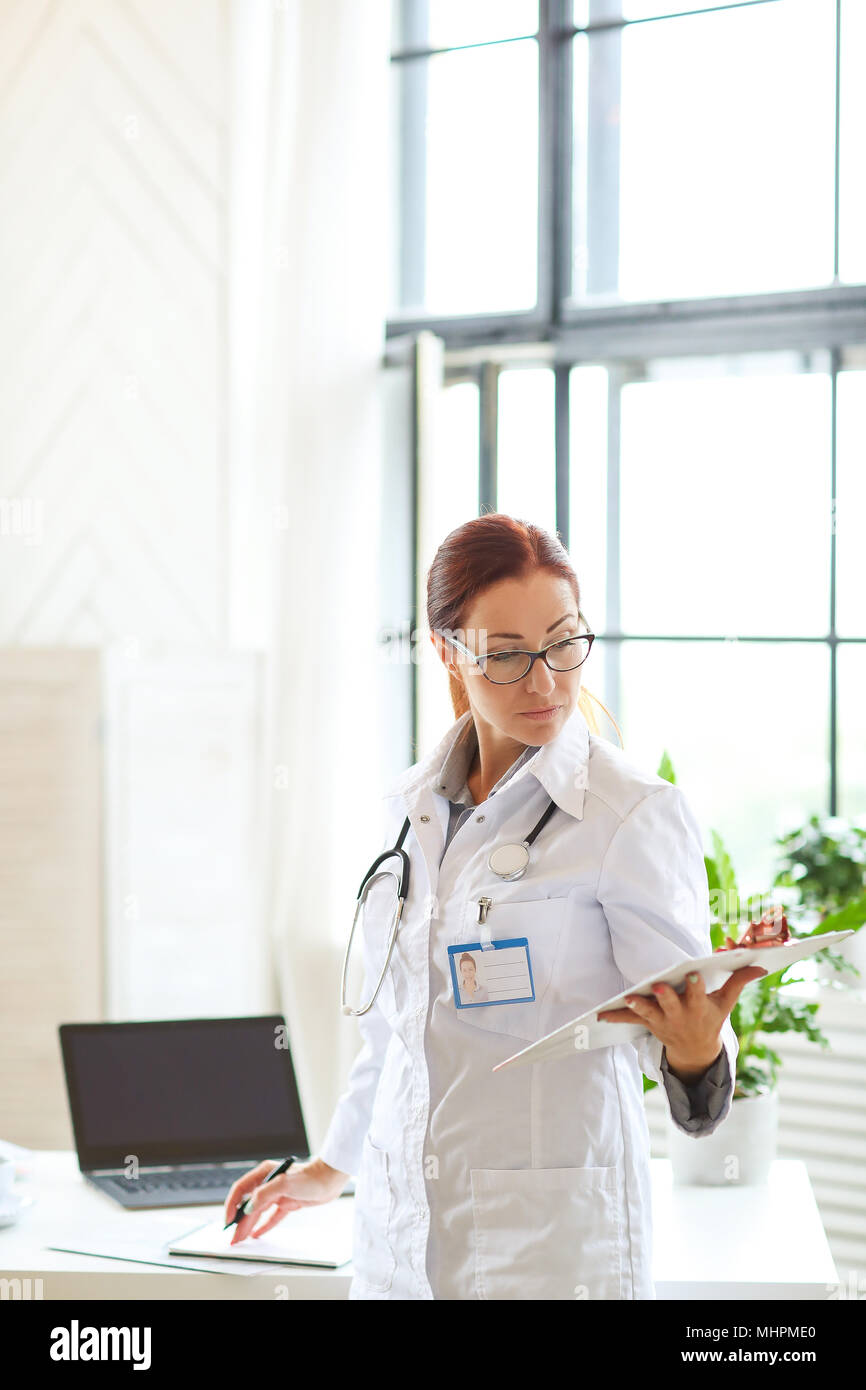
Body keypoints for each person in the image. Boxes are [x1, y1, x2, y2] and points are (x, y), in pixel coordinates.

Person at [224, 514, 766, 1300]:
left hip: (550, 1252)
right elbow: (395, 1032)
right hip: (398, 1242)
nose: (545, 683)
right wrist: (330, 1167)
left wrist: (696, 1053)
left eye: (563, 643)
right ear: (447, 651)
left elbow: (686, 1053)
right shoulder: (409, 809)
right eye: (507, 656)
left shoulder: (628, 816)